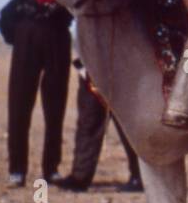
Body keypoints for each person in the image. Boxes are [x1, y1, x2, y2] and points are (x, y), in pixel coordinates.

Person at [0, 0, 72, 187]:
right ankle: (17, 170)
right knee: (19, 105)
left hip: (56, 30)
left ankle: (51, 169)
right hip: (28, 28)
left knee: (55, 107)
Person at [57, 58, 143, 192]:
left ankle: (140, 176)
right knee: (88, 121)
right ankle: (80, 176)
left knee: (127, 125)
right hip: (91, 69)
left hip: (121, 67)